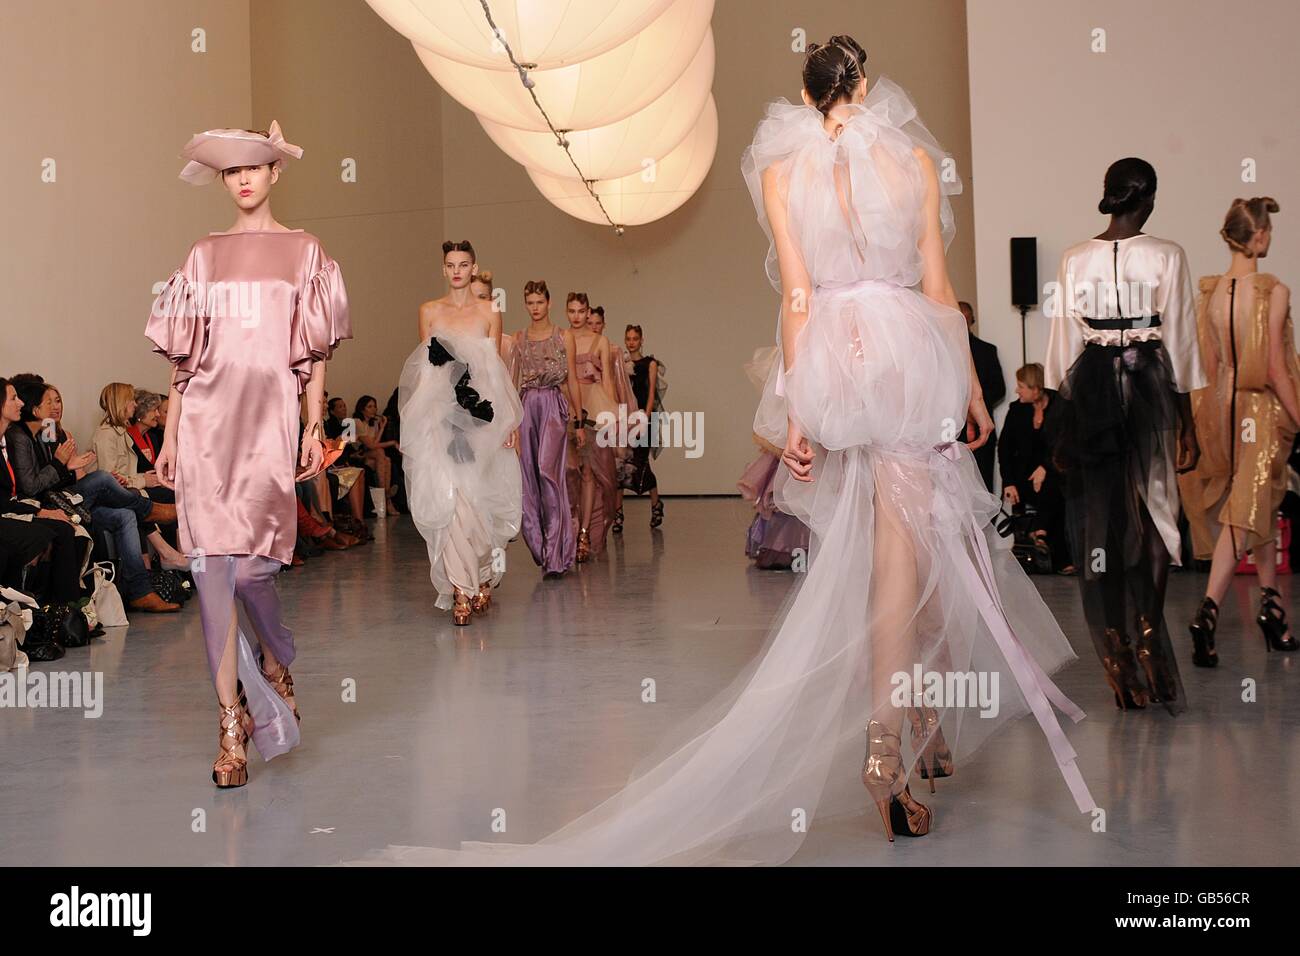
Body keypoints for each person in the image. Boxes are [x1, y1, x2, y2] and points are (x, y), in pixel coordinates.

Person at [362, 37, 1093, 866]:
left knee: (885, 549)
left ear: (809, 93)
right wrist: (967, 386)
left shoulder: (786, 171)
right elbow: (935, 286)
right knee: (914, 546)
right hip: (910, 355)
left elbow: (797, 294)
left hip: (838, 360)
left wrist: (799, 412)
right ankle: (895, 733)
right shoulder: (913, 162)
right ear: (864, 83)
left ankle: (905, 732)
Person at [147, 120, 350, 788]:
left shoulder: (304, 251)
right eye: (231, 170)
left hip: (268, 426)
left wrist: (312, 425)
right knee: (211, 575)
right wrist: (173, 432)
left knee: (253, 573)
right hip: (205, 425)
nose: (241, 179)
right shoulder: (202, 254)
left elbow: (314, 351)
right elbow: (184, 357)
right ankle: (231, 726)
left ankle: (277, 654)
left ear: (274, 174)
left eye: (254, 167)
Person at [1045, 157, 1204, 713]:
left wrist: (1058, 417)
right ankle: (1145, 626)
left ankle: (1115, 653)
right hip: (1148, 384)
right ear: (1150, 199)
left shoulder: (1074, 258)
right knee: (1159, 509)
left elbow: (1062, 342)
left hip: (1089, 386)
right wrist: (1185, 422)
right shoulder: (1168, 255)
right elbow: (1181, 337)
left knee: (1100, 521)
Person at [1179, 197, 1298, 661]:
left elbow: (1207, 367)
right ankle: (1207, 610)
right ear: (1261, 236)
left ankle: (1273, 612)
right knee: (1245, 509)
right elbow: (1274, 369)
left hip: (1220, 410)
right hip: (1261, 411)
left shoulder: (1209, 294)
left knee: (1257, 504)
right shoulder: (1272, 291)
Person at [402, 239, 522, 624]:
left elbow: (497, 370)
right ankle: (460, 591)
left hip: (482, 418)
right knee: (450, 497)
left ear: (474, 268)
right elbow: (425, 368)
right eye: (450, 264)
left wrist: (509, 422)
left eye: (463, 264)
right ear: (444, 269)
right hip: (440, 415)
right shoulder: (429, 311)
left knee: (478, 499)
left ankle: (480, 573)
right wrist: (417, 422)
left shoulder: (489, 311)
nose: (456, 270)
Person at [511, 280, 586, 578]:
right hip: (527, 407)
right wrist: (510, 422)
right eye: (530, 302)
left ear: (549, 303)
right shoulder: (519, 338)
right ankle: (539, 544)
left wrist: (579, 420)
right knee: (527, 475)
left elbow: (571, 380)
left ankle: (556, 552)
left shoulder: (563, 337)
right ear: (525, 304)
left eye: (540, 302)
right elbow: (513, 381)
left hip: (554, 406)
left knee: (547, 471)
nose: (535, 308)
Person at [998, 363, 1070, 573]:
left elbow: (1064, 443)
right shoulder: (1016, 409)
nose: (1016, 390)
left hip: (1054, 470)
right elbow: (1004, 449)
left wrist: (1044, 468)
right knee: (1049, 491)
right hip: (1023, 477)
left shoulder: (1059, 405)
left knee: (1054, 486)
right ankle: (1044, 541)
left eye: (1021, 386)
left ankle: (1040, 536)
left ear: (1035, 388)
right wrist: (1008, 482)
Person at [961, 301, 1005, 492]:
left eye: (965, 318)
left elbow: (998, 389)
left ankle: (987, 523)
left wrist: (974, 405)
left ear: (972, 320)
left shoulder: (987, 350)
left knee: (983, 483)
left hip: (981, 427)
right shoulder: (940, 350)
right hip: (951, 428)